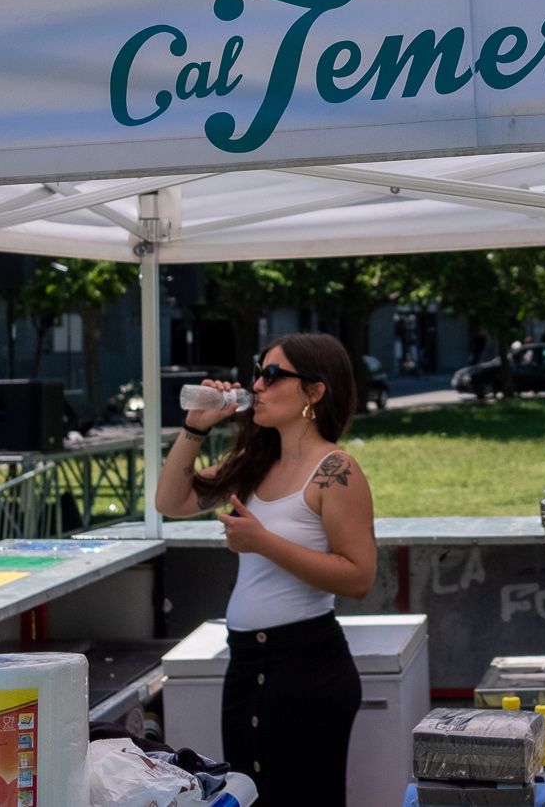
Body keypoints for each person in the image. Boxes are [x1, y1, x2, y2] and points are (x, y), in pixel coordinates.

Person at [154, 333, 373, 807]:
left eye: (272, 375)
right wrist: (195, 428)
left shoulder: (336, 469)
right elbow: (170, 501)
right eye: (258, 371)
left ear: (314, 391)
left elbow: (358, 576)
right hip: (248, 664)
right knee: (249, 797)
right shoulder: (254, 462)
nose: (256, 385)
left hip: (306, 666)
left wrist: (262, 542)